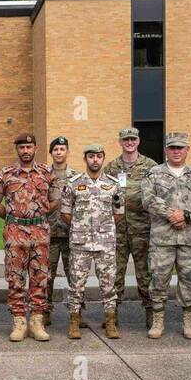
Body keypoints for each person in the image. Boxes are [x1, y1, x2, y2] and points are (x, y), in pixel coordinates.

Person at [0, 133, 60, 341]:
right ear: (17, 150)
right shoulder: (6, 173)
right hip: (15, 233)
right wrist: (12, 218)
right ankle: (19, 321)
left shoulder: (47, 172)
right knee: (15, 278)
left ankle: (37, 321)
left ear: (36, 148)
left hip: (40, 233)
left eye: (29, 147)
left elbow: (56, 200)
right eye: (21, 147)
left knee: (40, 278)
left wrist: (41, 213)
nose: (25, 151)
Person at [143, 132, 191, 339]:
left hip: (188, 237)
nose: (176, 151)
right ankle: (158, 321)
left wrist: (186, 214)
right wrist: (171, 214)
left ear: (187, 150)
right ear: (166, 150)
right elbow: (148, 199)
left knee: (189, 279)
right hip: (162, 238)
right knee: (158, 279)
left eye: (180, 148)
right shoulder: (153, 173)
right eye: (172, 147)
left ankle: (188, 321)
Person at [61, 144, 124, 339]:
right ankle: (74, 321)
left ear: (103, 158)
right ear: (85, 159)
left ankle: (111, 322)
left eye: (98, 156)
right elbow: (65, 213)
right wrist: (82, 227)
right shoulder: (73, 183)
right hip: (81, 244)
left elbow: (119, 213)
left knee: (108, 285)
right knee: (76, 284)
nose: (94, 160)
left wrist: (102, 229)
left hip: (105, 243)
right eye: (91, 156)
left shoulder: (114, 184)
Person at [105, 126, 156, 313]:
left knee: (145, 274)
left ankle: (151, 312)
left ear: (138, 141)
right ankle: (112, 313)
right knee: (115, 274)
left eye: (133, 139)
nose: (129, 143)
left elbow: (157, 195)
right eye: (126, 140)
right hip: (117, 230)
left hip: (142, 229)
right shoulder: (111, 167)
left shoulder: (150, 166)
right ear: (120, 142)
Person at [45, 136, 78, 326]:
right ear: (51, 153)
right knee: (46, 276)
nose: (59, 152)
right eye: (55, 149)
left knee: (74, 275)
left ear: (67, 152)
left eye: (62, 149)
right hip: (49, 234)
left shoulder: (76, 177)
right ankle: (45, 311)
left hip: (70, 234)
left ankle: (76, 312)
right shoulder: (44, 175)